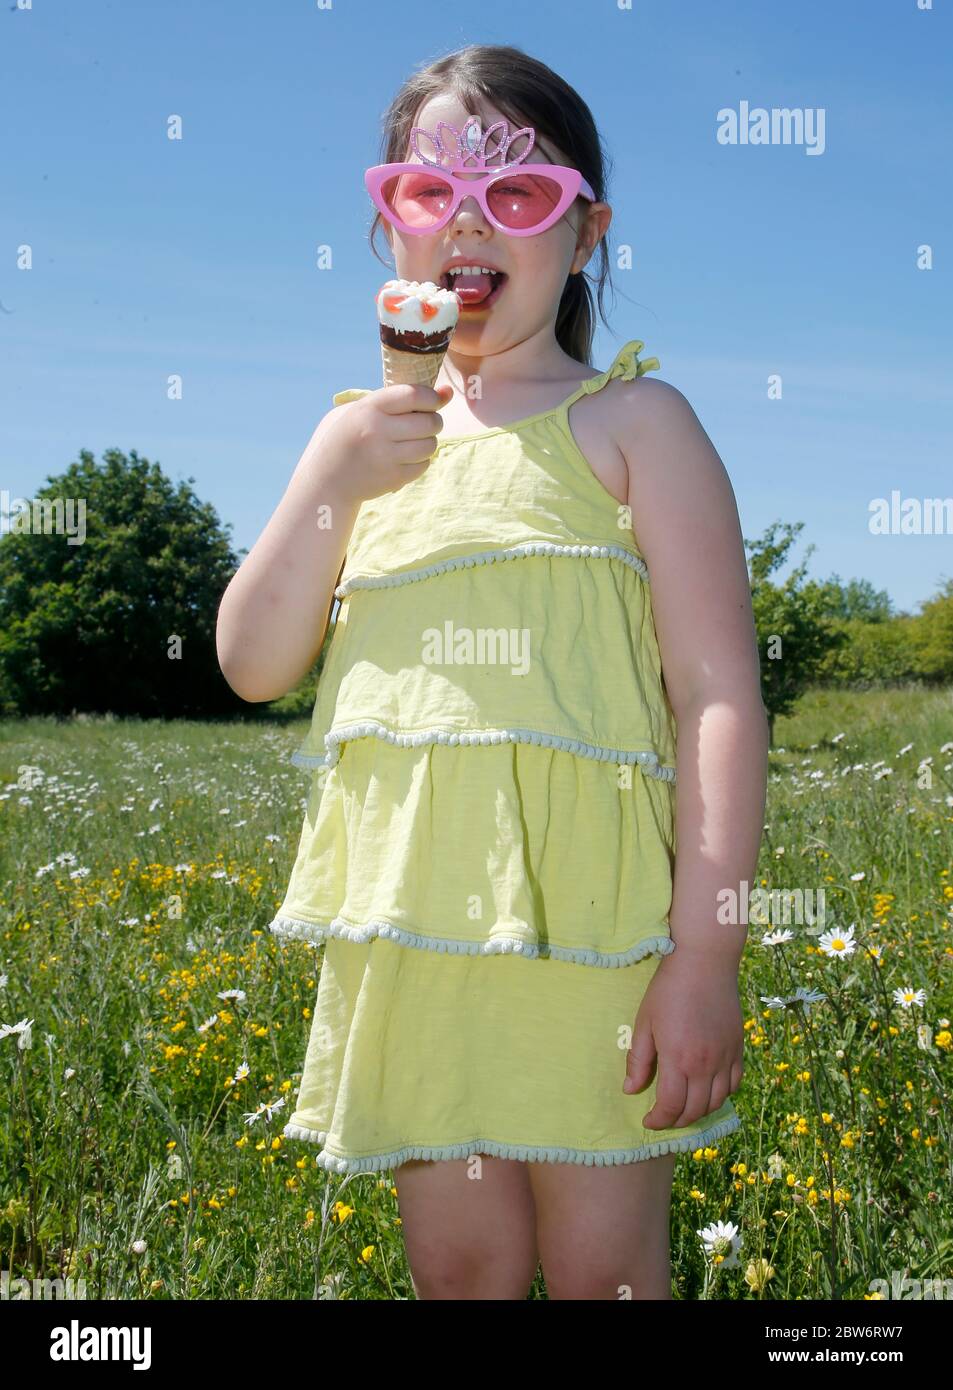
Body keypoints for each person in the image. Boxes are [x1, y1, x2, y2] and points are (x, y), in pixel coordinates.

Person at [216, 43, 769, 1301]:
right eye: (429, 192)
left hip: (599, 947)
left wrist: (706, 957)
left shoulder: (635, 427)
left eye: (515, 193)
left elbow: (719, 699)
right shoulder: (356, 443)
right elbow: (251, 662)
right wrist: (331, 478)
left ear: (584, 236)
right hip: (414, 941)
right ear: (388, 228)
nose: (468, 220)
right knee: (457, 1271)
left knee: (603, 1272)